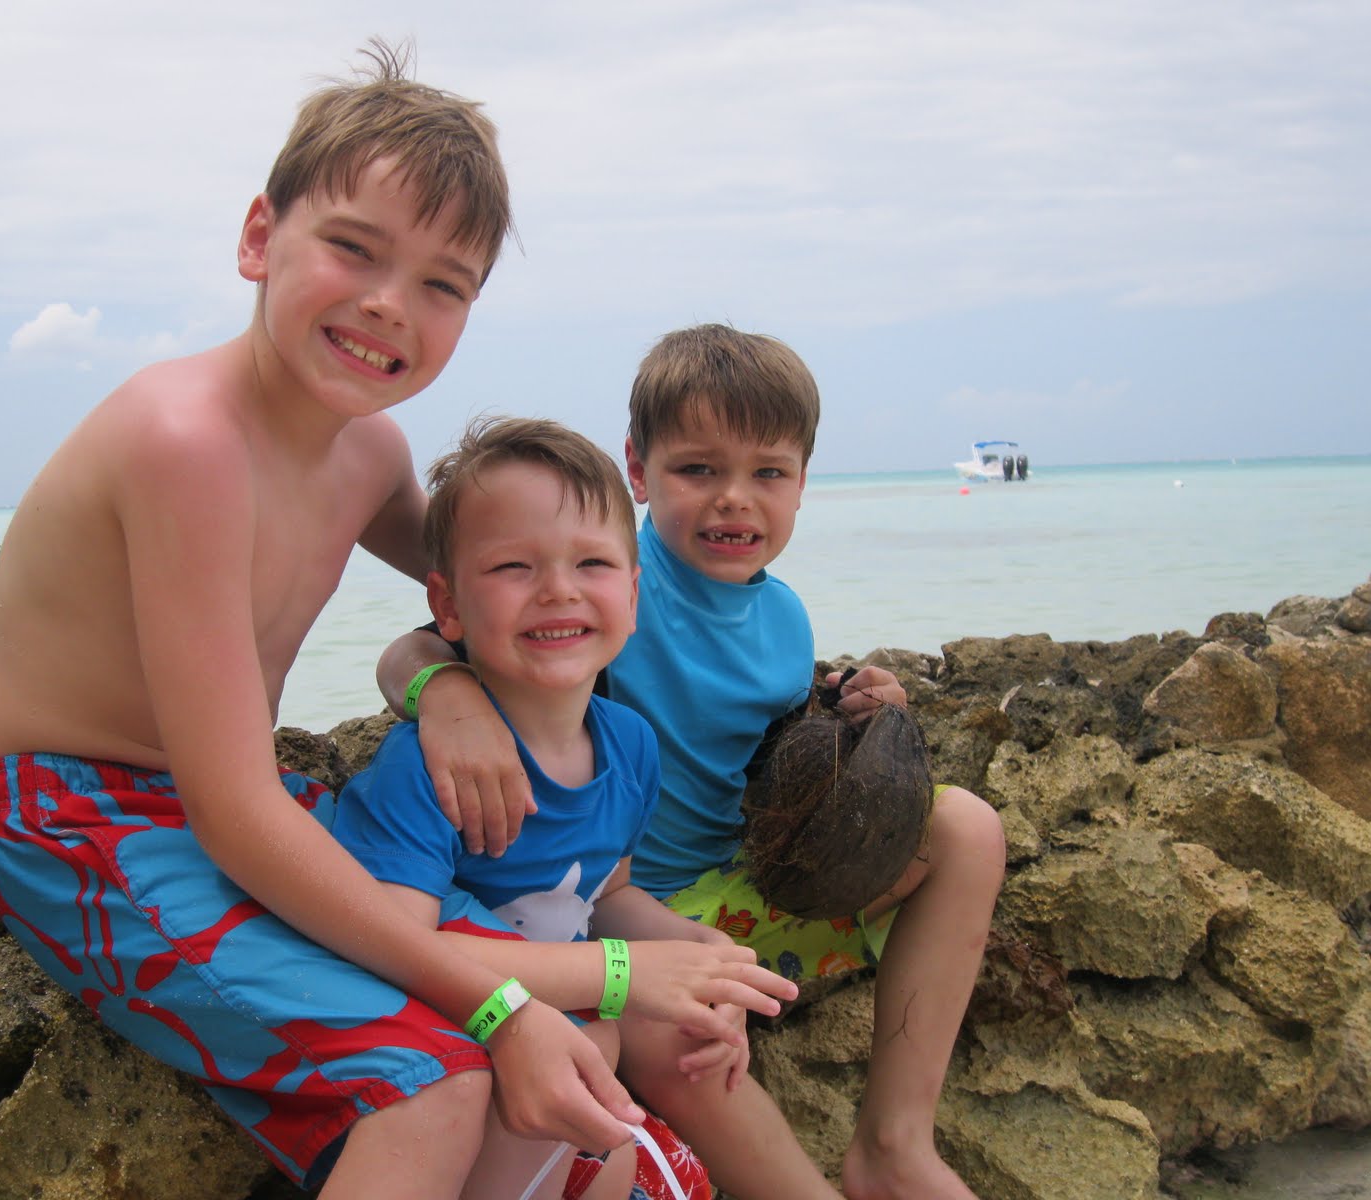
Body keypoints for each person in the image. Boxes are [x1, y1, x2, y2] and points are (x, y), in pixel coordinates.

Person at [0, 47, 778, 1200]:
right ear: (260, 237)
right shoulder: (186, 443)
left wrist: (440, 682)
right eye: (353, 248)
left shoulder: (371, 453)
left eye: (444, 284)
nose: (390, 302)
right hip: (78, 819)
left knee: (566, 1035)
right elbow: (234, 810)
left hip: (227, 809)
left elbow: (506, 595)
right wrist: (502, 1005)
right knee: (434, 1080)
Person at [381, 325, 1007, 1200]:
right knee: (669, 1038)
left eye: (768, 473)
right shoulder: (607, 579)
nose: (733, 501)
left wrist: (855, 719)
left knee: (966, 826)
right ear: (639, 471)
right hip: (620, 915)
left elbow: (768, 764)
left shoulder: (785, 617)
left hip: (742, 898)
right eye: (699, 470)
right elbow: (415, 648)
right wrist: (444, 693)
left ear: (802, 483)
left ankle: (896, 1145)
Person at [330, 417, 796, 1199]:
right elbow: (394, 950)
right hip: (456, 1068)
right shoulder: (426, 767)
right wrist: (620, 973)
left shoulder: (630, 745)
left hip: (567, 1064)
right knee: (605, 1065)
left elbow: (604, 894)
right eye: (514, 565)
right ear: (446, 604)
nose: (558, 589)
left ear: (633, 594)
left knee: (623, 1153)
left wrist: (702, 956)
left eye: (593, 562)